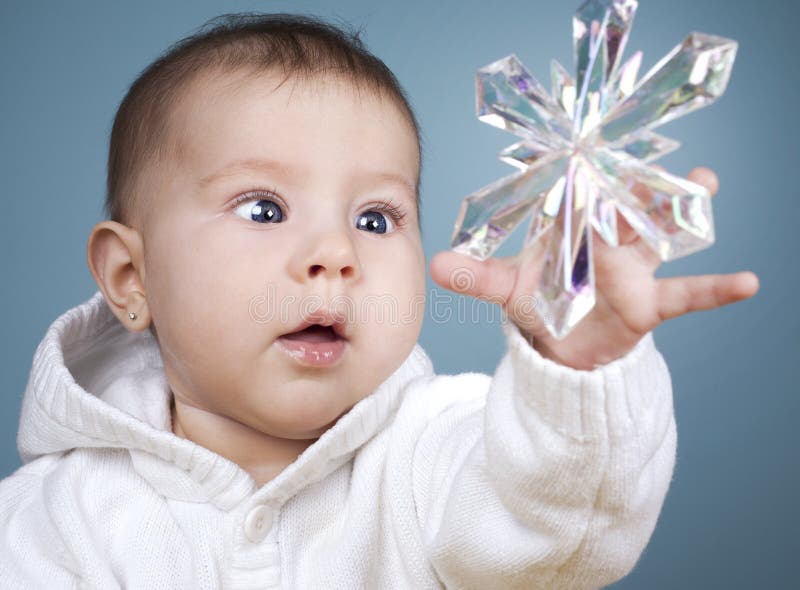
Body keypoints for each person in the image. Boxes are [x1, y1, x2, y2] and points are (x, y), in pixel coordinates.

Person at [0, 13, 758, 590]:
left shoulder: (447, 451)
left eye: (375, 219)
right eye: (264, 209)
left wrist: (578, 365)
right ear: (132, 279)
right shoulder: (48, 521)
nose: (337, 255)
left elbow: (563, 529)